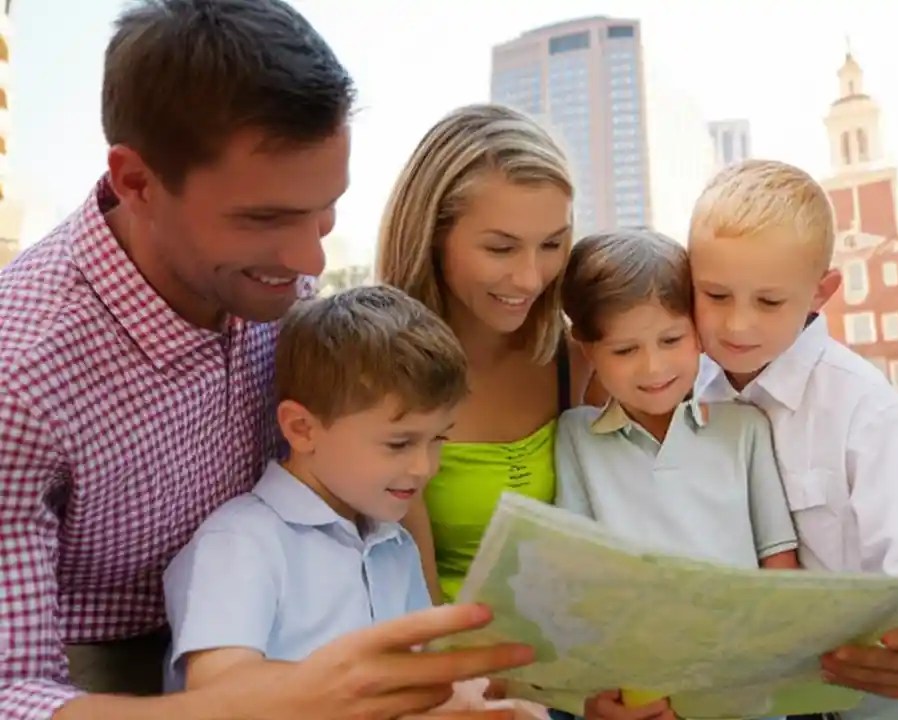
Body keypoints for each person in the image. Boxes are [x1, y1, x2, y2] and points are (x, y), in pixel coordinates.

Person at [0, 2, 530, 718]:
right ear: (136, 181)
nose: (309, 260)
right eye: (264, 220)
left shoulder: (277, 280)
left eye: (324, 211)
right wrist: (290, 700)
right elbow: (9, 691)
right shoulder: (21, 373)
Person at [687, 160, 898, 716]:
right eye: (715, 295)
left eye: (769, 301)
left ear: (821, 293)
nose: (737, 325)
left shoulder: (864, 407)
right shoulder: (682, 398)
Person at [162, 285, 467, 691]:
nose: (424, 467)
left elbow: (426, 677)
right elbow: (220, 693)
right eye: (399, 443)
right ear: (302, 429)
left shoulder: (395, 544)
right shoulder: (240, 542)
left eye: (438, 440)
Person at [555, 229, 800, 717]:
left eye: (671, 339)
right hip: (642, 693)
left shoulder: (744, 427)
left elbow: (779, 567)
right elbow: (576, 579)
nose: (653, 366)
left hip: (742, 692)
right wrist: (598, 694)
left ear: (699, 333)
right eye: (625, 351)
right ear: (588, 351)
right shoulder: (576, 437)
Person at [377, 104, 597, 605]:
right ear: (432, 238)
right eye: (500, 249)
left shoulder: (580, 363)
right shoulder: (377, 375)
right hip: (444, 664)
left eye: (552, 244)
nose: (530, 278)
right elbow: (411, 597)